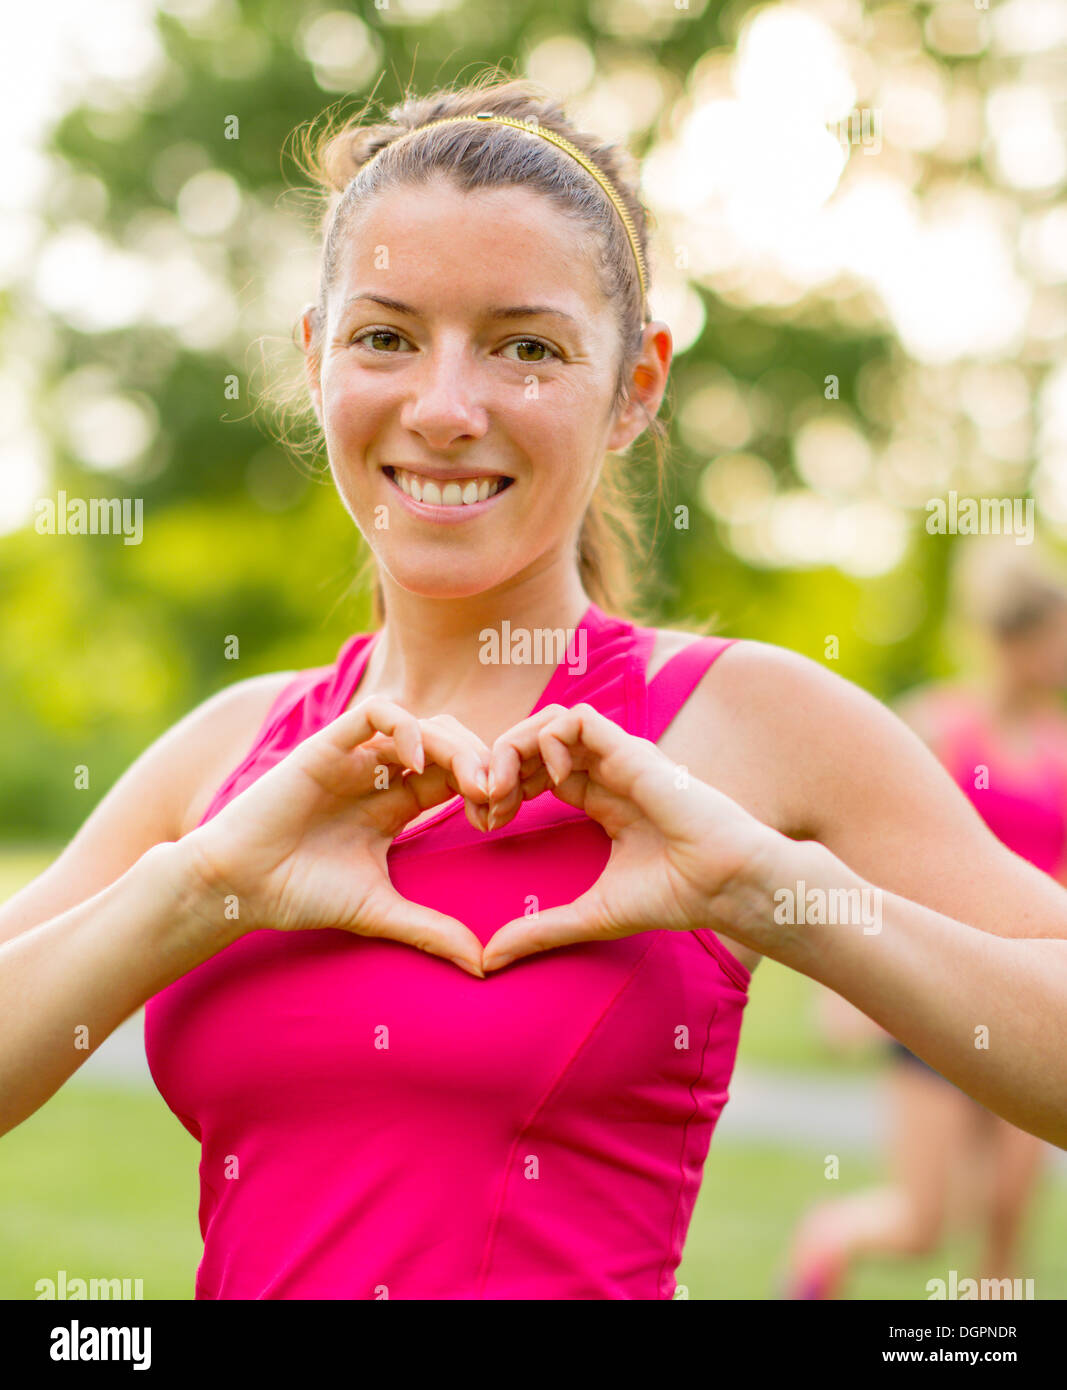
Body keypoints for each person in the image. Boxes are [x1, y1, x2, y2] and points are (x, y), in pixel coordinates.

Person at [3, 76, 1067, 1302]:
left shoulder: (752, 722)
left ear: (635, 389)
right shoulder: (230, 752)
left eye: (525, 347)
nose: (445, 407)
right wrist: (200, 891)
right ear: (315, 357)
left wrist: (777, 896)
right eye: (387, 336)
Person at [783, 549, 1067, 1299]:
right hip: (936, 991)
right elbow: (858, 858)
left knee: (1008, 1214)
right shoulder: (935, 729)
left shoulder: (1057, 750)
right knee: (920, 1224)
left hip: (1030, 997)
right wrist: (846, 988)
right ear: (1018, 638)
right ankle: (821, 1247)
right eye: (1057, 636)